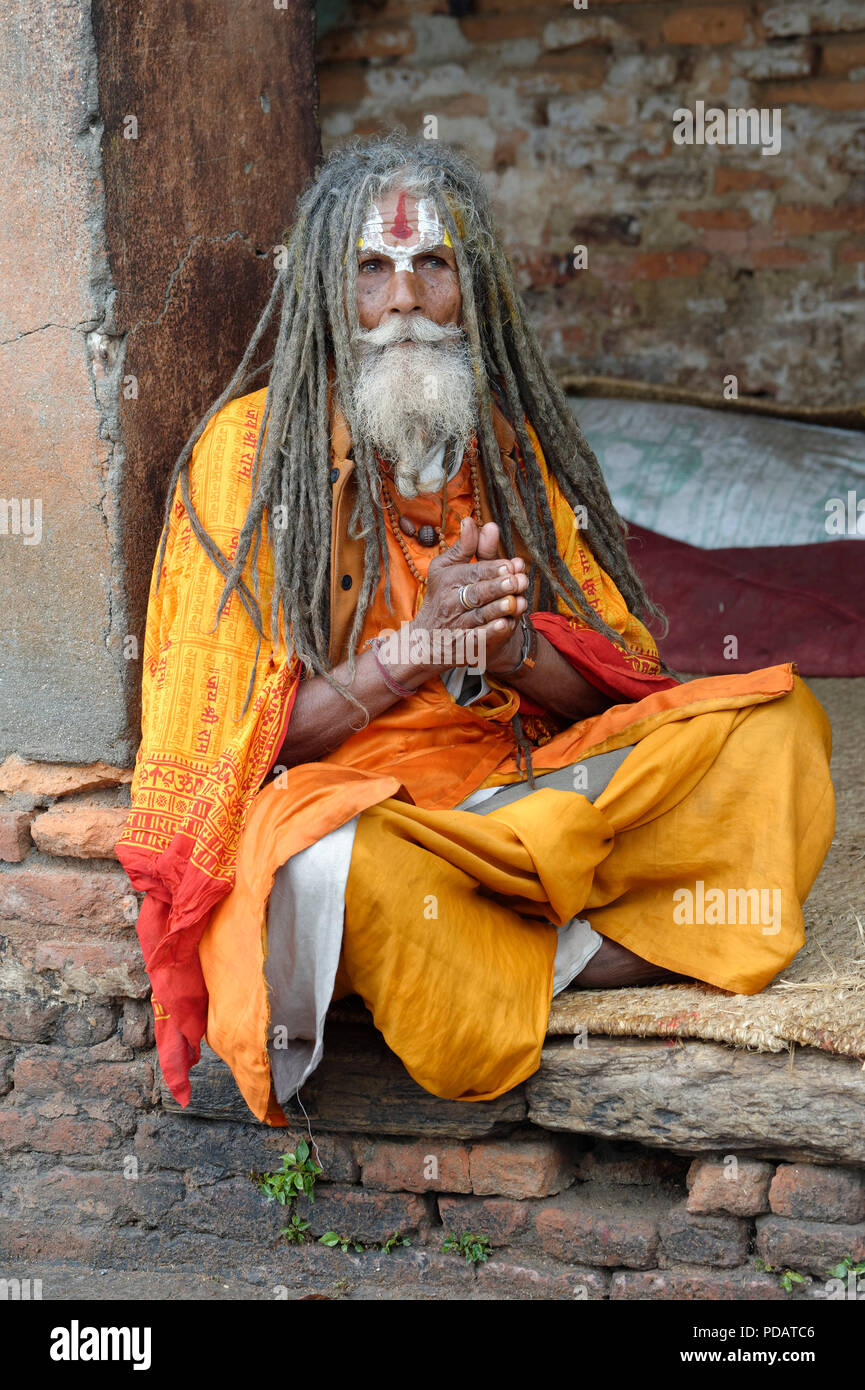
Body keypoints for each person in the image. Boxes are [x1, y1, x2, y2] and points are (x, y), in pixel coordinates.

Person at [117, 136, 835, 1123]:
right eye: (371, 269)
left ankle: (509, 947)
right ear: (333, 294)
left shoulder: (503, 444)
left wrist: (510, 651)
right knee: (321, 868)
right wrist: (419, 649)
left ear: (471, 287)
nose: (403, 300)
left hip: (512, 793)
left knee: (774, 723)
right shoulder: (247, 462)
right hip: (375, 820)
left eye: (430, 266)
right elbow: (234, 752)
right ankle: (580, 948)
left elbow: (617, 683)